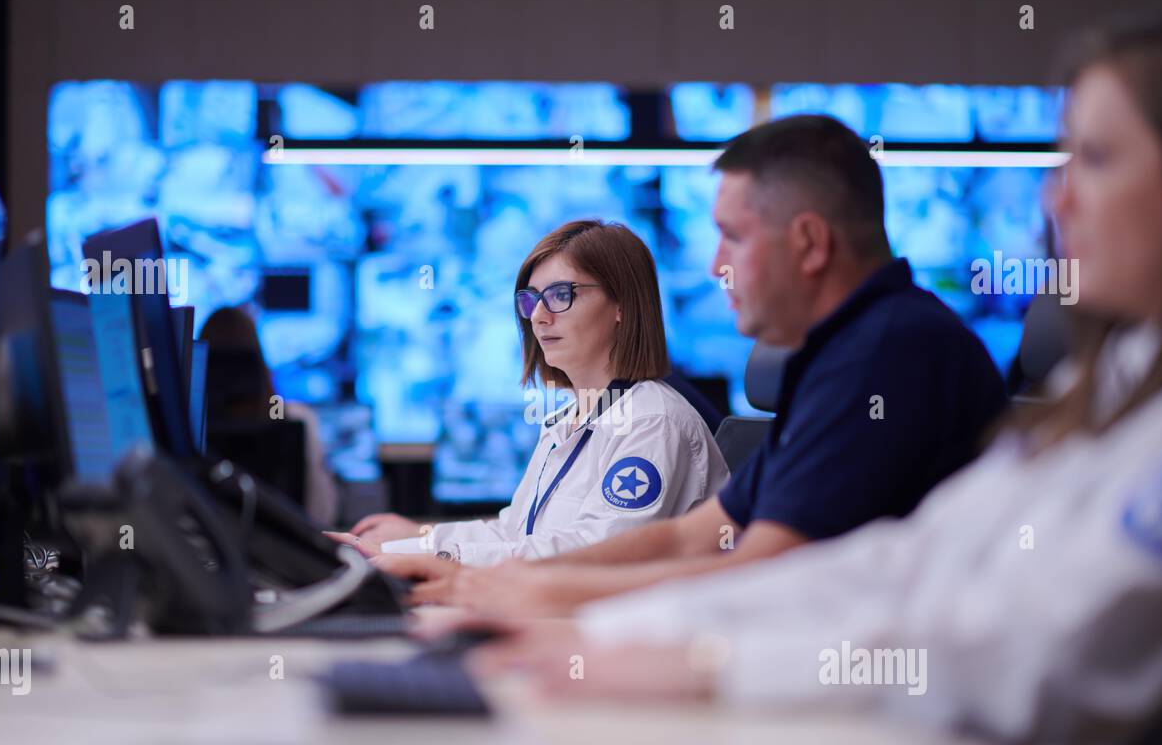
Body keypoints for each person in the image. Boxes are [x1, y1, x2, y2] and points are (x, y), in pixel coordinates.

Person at [448, 7, 1162, 745]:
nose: (1055, 199)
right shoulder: (1115, 390)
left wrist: (668, 647)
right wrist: (586, 619)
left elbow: (1014, 652)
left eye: (1095, 159)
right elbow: (898, 563)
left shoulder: (896, 353)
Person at [378, 114, 1007, 608]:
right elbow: (688, 538)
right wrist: (489, 574)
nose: (714, 267)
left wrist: (521, 588)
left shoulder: (889, 355)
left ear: (810, 243)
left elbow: (757, 571)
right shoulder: (841, 356)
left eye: (733, 236)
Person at [332, 220, 729, 565]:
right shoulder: (569, 419)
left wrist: (425, 556)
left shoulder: (651, 422)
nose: (539, 315)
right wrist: (408, 544)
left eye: (561, 294)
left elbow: (595, 555)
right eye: (531, 299)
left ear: (621, 305)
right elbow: (516, 533)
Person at [199, 306, 339, 526]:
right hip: (283, 555)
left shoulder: (183, 430)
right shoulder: (297, 419)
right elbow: (322, 514)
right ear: (259, 360)